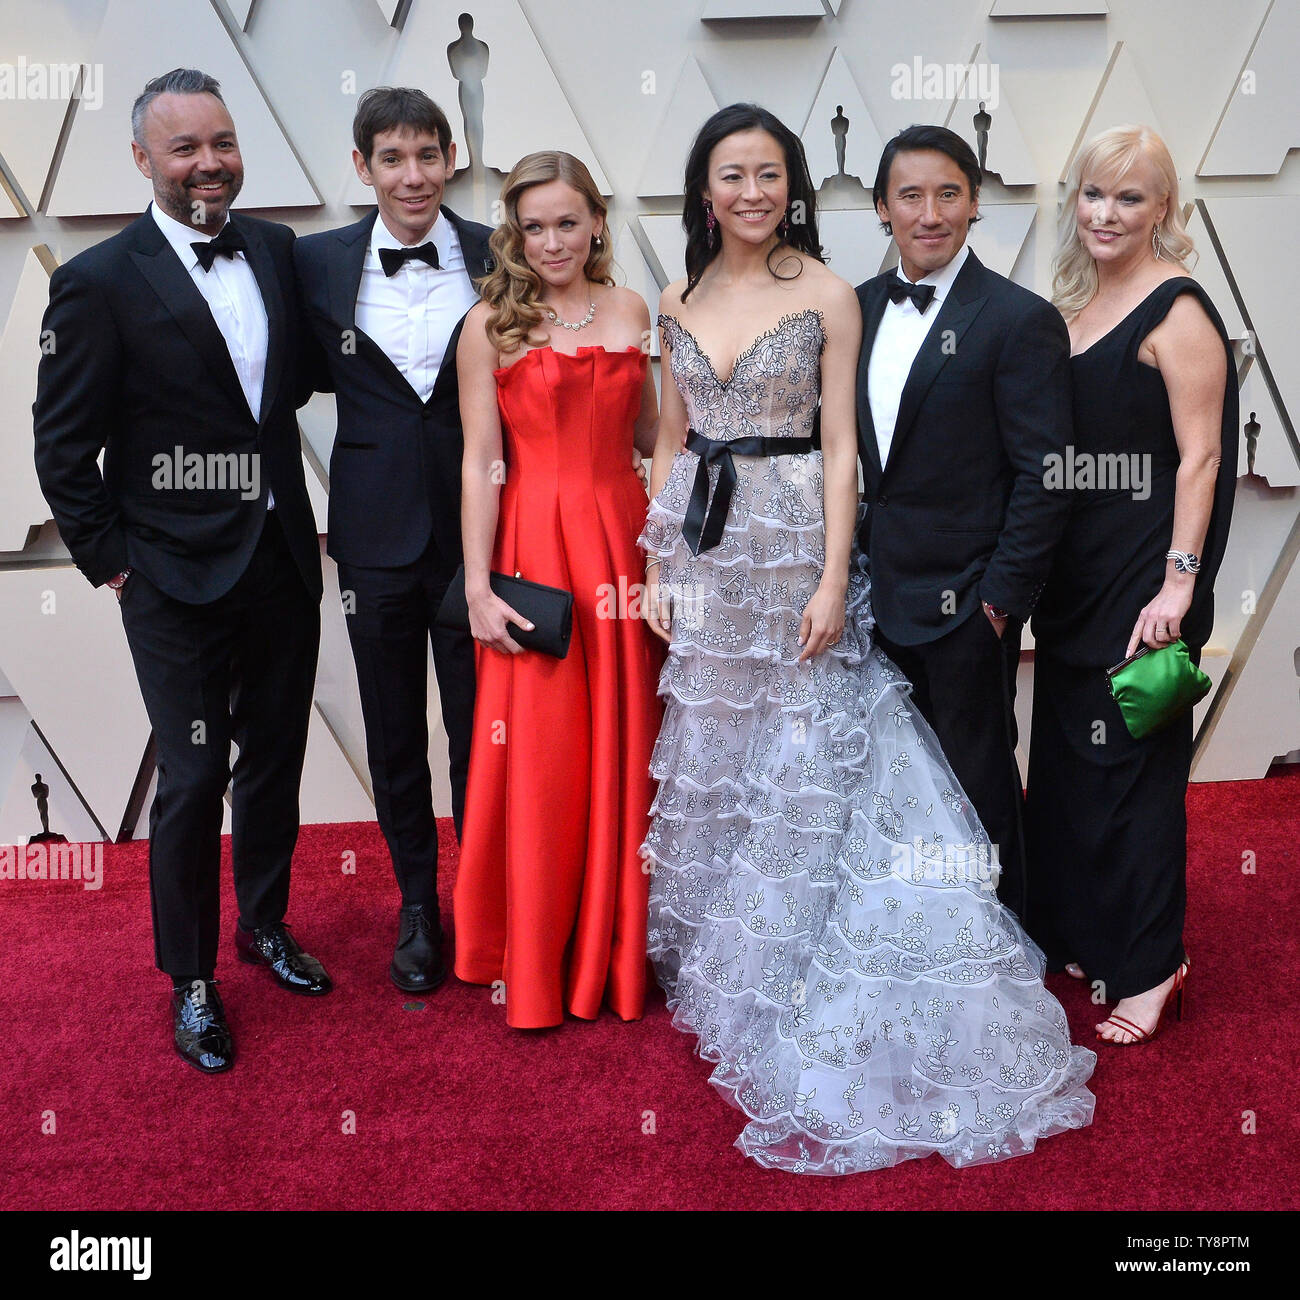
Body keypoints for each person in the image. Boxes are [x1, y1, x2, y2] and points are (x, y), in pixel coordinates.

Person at [640, 103, 1095, 1174]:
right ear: (703, 191)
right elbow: (671, 433)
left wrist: (837, 576)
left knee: (822, 753)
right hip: (710, 556)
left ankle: (906, 946)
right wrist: (657, 564)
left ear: (793, 186)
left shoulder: (830, 293)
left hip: (798, 542)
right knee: (725, 752)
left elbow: (841, 443)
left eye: (768, 174)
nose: (750, 192)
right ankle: (727, 956)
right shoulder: (674, 295)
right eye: (729, 175)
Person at [33, 69, 329, 1075]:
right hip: (171, 577)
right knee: (196, 774)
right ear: (141, 161)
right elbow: (64, 446)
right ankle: (191, 977)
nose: (209, 163)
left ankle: (264, 923)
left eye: (223, 142)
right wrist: (116, 565)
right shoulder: (99, 280)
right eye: (184, 149)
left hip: (282, 556)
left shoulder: (279, 253)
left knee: (275, 759)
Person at [1025, 125, 1236, 1045]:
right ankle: (1085, 930)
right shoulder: (1074, 311)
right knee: (1071, 762)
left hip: (1145, 580)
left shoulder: (1178, 311)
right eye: (1094, 195)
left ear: (1164, 211)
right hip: (1076, 575)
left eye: (1130, 198)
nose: (1107, 215)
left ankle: (1154, 966)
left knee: (1136, 773)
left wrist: (1179, 590)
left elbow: (1203, 459)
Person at [453, 152, 664, 1028]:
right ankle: (535, 956)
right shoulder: (489, 328)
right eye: (533, 226)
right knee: (543, 755)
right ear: (514, 231)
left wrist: (668, 558)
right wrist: (475, 585)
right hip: (534, 550)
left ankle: (618, 948)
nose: (551, 242)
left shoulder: (632, 311)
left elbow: (656, 439)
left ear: (597, 223)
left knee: (629, 740)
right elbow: (478, 462)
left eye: (567, 223)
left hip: (621, 540)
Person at [295, 88, 491, 994]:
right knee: (393, 737)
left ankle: (485, 901)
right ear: (362, 167)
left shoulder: (501, 255)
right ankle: (419, 906)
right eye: (391, 158)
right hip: (370, 539)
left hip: (479, 535)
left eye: (427, 155)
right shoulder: (316, 266)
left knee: (478, 732)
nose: (411, 176)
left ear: (451, 156)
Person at [854, 124, 1074, 919]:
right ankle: (915, 934)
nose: (930, 212)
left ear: (975, 203)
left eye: (949, 192)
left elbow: (1046, 474)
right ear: (883, 208)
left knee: (974, 775)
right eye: (910, 195)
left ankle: (1003, 945)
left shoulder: (1019, 318)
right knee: (889, 776)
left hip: (967, 599)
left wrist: (1000, 598)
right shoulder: (859, 308)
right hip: (872, 592)